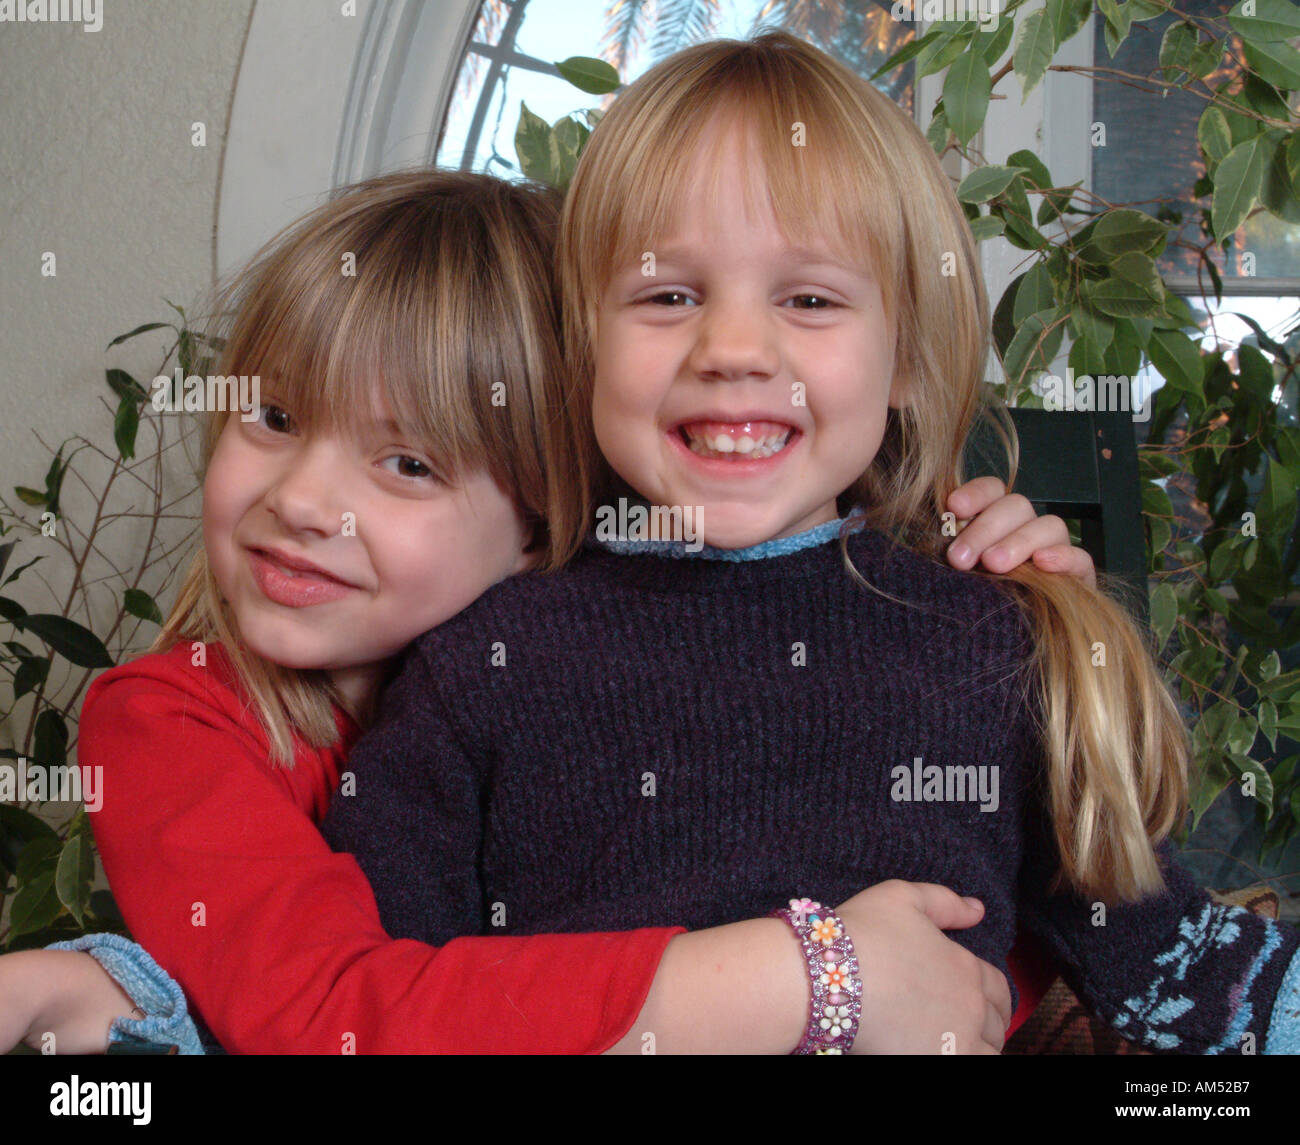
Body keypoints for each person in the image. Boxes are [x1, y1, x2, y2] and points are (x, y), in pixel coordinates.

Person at [323, 32, 1300, 1055]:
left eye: (809, 298)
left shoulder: (987, 638)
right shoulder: (486, 657)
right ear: (581, 346)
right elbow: (353, 995)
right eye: (668, 295)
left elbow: (1194, 980)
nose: (734, 349)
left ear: (908, 360)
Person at [0, 167, 1089, 1056]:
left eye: (408, 461)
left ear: (539, 516)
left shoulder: (630, 674)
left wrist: (1016, 624)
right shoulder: (173, 719)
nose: (298, 499)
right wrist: (806, 976)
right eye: (275, 414)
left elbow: (964, 943)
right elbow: (321, 1019)